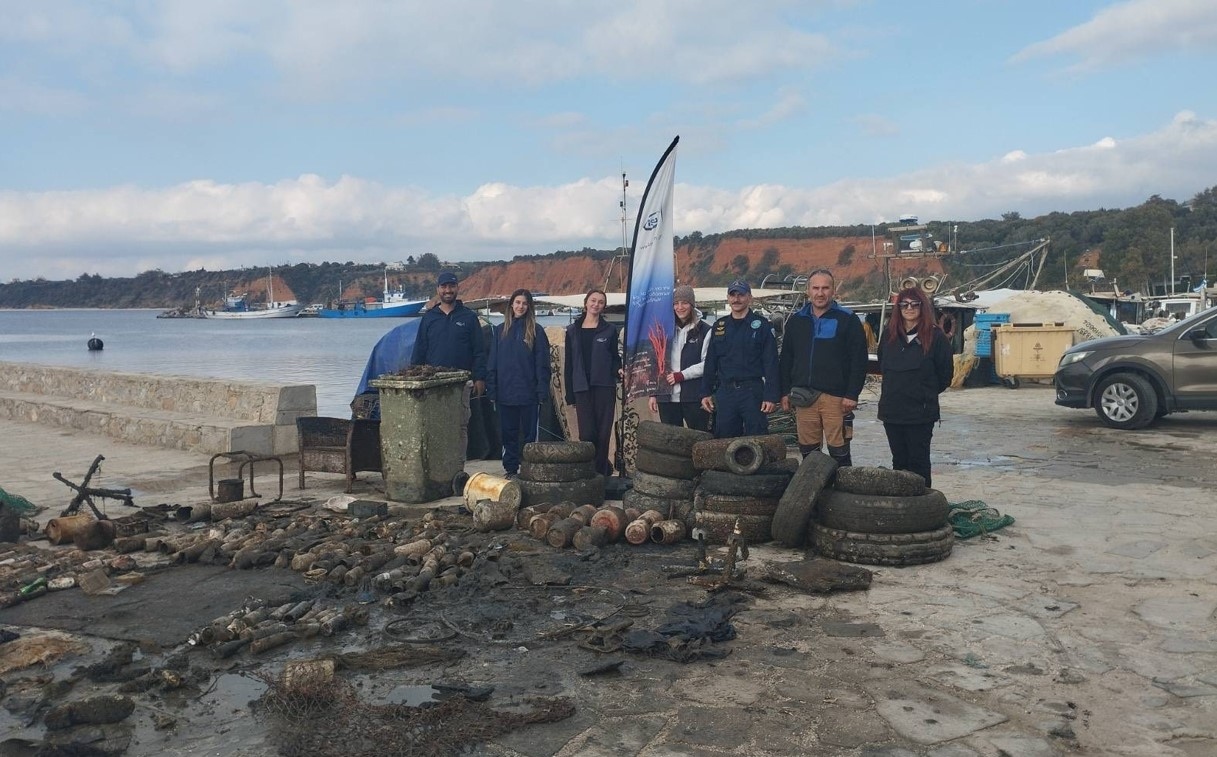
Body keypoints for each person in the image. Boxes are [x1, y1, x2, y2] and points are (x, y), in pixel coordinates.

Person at [779, 268, 868, 465]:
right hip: (803, 396)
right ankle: (817, 494)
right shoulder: (796, 320)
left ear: (834, 290)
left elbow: (859, 360)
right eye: (816, 288)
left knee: (840, 452)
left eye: (825, 288)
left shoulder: (848, 319)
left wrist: (852, 394)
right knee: (809, 453)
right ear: (808, 291)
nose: (820, 293)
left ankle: (843, 493)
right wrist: (784, 392)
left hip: (836, 398)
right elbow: (786, 358)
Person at [877, 285, 953, 487]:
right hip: (892, 412)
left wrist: (922, 391)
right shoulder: (888, 336)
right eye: (904, 304)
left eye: (914, 304)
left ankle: (923, 508)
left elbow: (945, 376)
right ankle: (902, 509)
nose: (909, 308)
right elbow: (884, 366)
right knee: (899, 463)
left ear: (923, 307)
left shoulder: (936, 338)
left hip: (920, 414)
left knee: (918, 463)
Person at [410, 271, 487, 466]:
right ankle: (437, 466)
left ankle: (458, 466)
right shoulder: (429, 318)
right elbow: (419, 350)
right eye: (444, 286)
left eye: (451, 286)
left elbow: (479, 351)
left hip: (462, 383)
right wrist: (414, 380)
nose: (448, 290)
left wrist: (480, 378)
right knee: (434, 425)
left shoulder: (469, 317)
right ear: (438, 289)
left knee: (460, 426)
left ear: (457, 288)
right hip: (433, 384)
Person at [700, 279, 779, 437]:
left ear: (749, 297)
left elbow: (771, 363)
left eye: (741, 295)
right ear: (728, 298)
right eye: (733, 295)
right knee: (725, 440)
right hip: (726, 392)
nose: (736, 299)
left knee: (757, 439)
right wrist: (705, 392)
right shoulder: (719, 326)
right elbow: (710, 362)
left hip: (752, 391)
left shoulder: (762, 326)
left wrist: (771, 396)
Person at [487, 289, 551, 479]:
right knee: (509, 435)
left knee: (530, 436)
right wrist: (492, 390)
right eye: (517, 303)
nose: (520, 306)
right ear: (511, 305)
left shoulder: (536, 331)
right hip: (506, 394)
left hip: (529, 394)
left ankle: (531, 467)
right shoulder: (500, 330)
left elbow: (542, 363)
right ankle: (511, 469)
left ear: (529, 306)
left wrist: (542, 390)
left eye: (524, 303)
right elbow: (493, 363)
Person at [564, 289, 621, 476]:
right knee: (587, 434)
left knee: (603, 434)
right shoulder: (572, 331)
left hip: (604, 386)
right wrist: (570, 393)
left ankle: (602, 473)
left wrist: (618, 370)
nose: (596, 304)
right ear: (586, 303)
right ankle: (589, 471)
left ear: (604, 306)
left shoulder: (610, 330)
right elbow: (569, 364)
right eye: (593, 300)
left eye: (601, 302)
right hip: (582, 387)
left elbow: (614, 358)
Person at [647, 285, 712, 431]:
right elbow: (656, 362)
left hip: (694, 396)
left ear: (692, 305)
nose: (680, 307)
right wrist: (653, 393)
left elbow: (708, 363)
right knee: (671, 442)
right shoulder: (663, 331)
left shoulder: (705, 331)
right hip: (666, 397)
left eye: (684, 303)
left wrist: (682, 375)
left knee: (698, 438)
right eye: (676, 303)